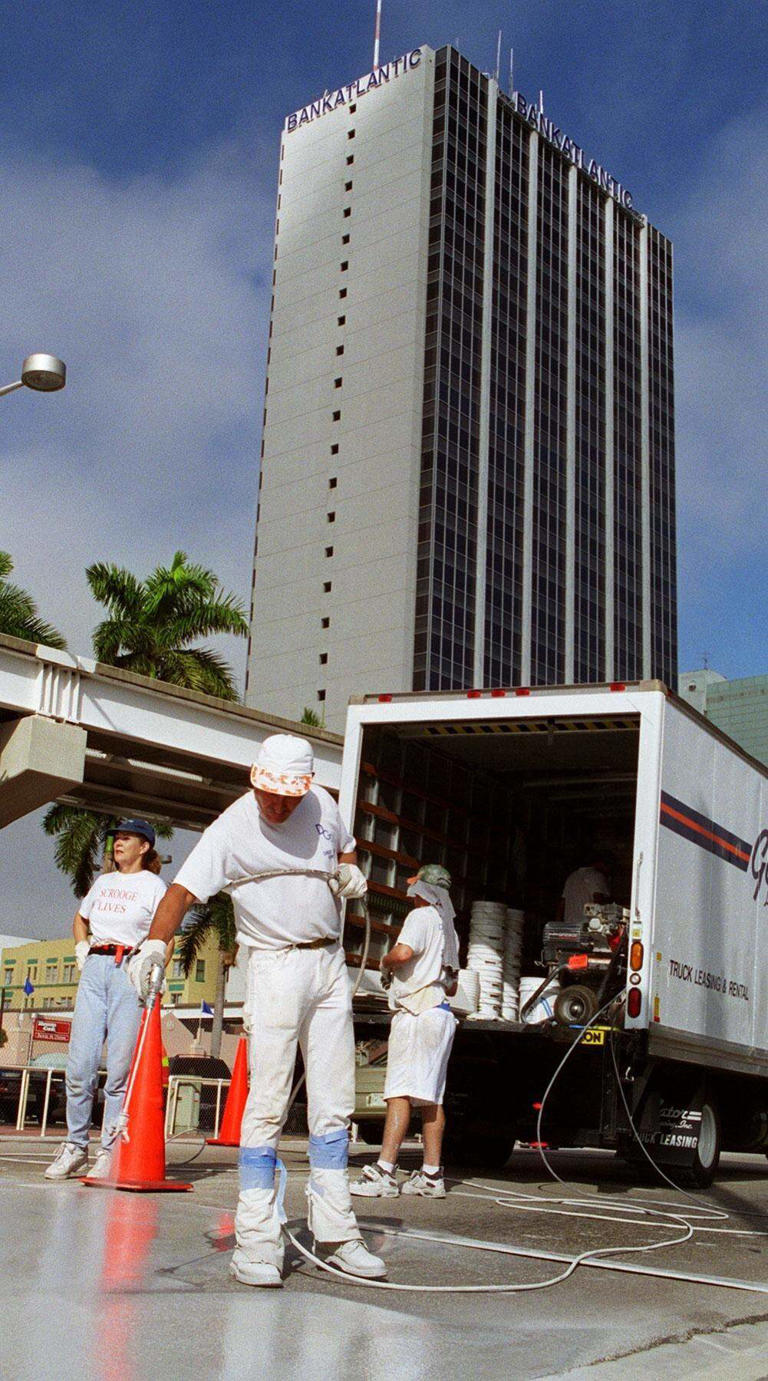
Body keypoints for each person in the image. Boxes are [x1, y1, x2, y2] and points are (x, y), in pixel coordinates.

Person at [127, 733, 386, 1288]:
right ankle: (256, 1239)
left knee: (334, 1100)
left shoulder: (324, 807)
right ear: (256, 780)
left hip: (328, 963)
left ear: (306, 788)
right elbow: (182, 893)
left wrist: (348, 869)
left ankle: (336, 1231)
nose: (279, 805)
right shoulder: (233, 828)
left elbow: (344, 847)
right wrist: (155, 944)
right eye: (271, 794)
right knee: (267, 1101)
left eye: (290, 797)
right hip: (273, 966)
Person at [45, 820, 168, 1181]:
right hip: (96, 967)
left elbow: (167, 934)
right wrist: (81, 946)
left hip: (129, 968)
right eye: (116, 838)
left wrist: (154, 970)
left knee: (119, 1071)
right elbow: (80, 919)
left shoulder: (154, 886)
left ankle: (110, 1151)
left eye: (127, 838)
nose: (118, 843)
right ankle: (75, 1146)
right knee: (79, 1067)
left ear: (144, 847)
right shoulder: (103, 883)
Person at [350, 864, 459, 1201]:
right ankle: (431, 1175)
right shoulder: (449, 928)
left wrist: (385, 963)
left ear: (423, 891)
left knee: (399, 1091)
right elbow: (453, 986)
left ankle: (384, 1171)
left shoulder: (421, 917)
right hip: (440, 1012)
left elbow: (404, 952)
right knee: (431, 1098)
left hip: (416, 1013)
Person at [557, 854, 611, 928]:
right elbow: (598, 900)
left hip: (569, 924)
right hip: (587, 925)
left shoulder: (572, 876)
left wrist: (558, 924)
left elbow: (562, 903)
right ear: (602, 863)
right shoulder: (597, 876)